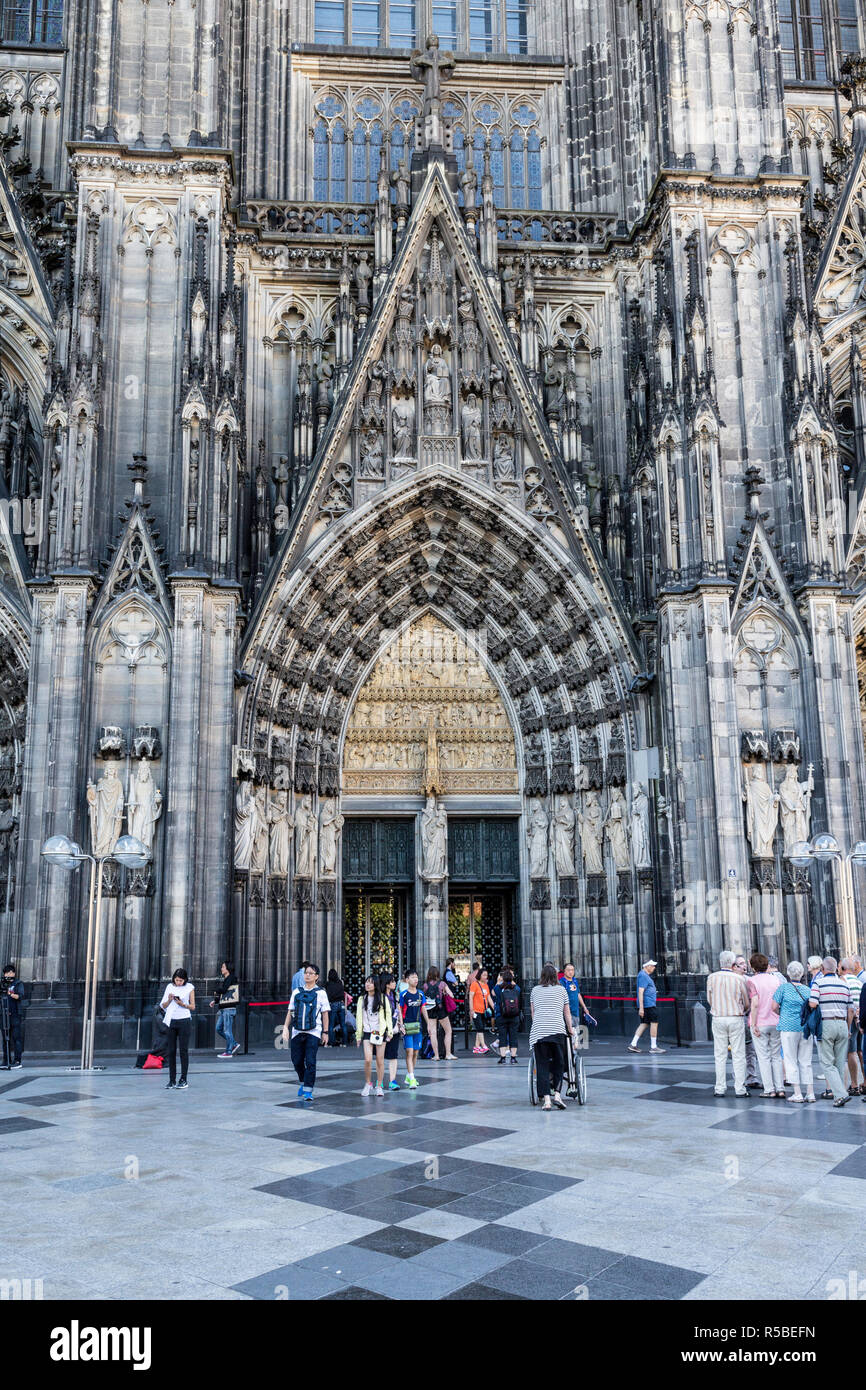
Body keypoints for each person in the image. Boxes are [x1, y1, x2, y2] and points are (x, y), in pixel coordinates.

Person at [808, 957, 854, 1106]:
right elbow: (851, 1010)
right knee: (839, 1062)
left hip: (826, 1024)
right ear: (836, 969)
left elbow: (813, 1004)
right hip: (842, 1024)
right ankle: (838, 1096)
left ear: (822, 968)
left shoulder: (818, 983)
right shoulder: (844, 985)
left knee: (827, 1063)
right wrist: (847, 1027)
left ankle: (840, 1094)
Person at [282, 962, 329, 1103]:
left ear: (317, 977)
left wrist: (325, 1032)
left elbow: (325, 1013)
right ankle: (303, 1081)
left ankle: (308, 1090)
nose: (307, 975)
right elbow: (290, 1011)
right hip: (297, 1030)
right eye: (306, 973)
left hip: (314, 1031)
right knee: (296, 1060)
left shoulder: (321, 993)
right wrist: (285, 1027)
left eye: (310, 973)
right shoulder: (296, 992)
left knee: (310, 1061)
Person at [706, 950, 751, 1097]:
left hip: (718, 1017)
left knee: (719, 1055)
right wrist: (741, 1010)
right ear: (733, 964)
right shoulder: (739, 979)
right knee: (738, 1054)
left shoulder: (711, 977)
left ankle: (719, 1088)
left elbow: (709, 999)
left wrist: (718, 1008)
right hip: (735, 1017)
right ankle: (740, 1089)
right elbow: (746, 1001)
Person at [529, 962, 574, 1111]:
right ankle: (557, 1096)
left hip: (539, 1032)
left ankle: (547, 1101)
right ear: (556, 976)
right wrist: (570, 1029)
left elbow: (533, 1014)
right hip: (557, 1030)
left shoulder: (535, 990)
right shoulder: (562, 990)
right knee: (559, 1063)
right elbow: (567, 1013)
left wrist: (539, 1026)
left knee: (542, 1065)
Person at [771, 960, 815, 1103]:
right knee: (806, 1061)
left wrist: (783, 1014)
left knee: (790, 1059)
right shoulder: (808, 990)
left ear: (788, 974)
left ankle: (797, 1093)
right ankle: (810, 1092)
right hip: (805, 1028)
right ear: (802, 974)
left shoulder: (783, 988)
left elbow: (773, 1007)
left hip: (788, 1027)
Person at [747, 952, 786, 1098]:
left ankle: (769, 1089)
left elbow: (755, 1004)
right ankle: (780, 1088)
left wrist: (754, 1023)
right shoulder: (775, 980)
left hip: (761, 1022)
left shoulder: (752, 981)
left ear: (752, 966)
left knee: (763, 1057)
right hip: (775, 1021)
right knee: (776, 1056)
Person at [356, 974, 391, 1097]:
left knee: (380, 1061)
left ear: (375, 985)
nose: (367, 984)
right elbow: (358, 1018)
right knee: (368, 1059)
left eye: (370, 982)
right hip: (366, 1032)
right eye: (366, 982)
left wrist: (389, 1032)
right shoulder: (362, 999)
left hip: (380, 1032)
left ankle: (379, 1085)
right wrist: (358, 1036)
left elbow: (388, 1016)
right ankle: (368, 1083)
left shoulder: (383, 998)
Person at [161, 968, 195, 1091]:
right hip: (172, 1020)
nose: (178, 982)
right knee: (171, 1051)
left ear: (185, 980)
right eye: (176, 980)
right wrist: (170, 1000)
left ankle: (183, 1079)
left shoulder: (190, 987)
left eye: (180, 980)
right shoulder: (169, 987)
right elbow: (162, 1006)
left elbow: (193, 1006)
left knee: (183, 1051)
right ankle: (171, 1080)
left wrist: (182, 1004)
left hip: (184, 1020)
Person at [733, 954, 761, 1088]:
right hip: (736, 1017)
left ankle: (752, 1077)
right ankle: (739, 1079)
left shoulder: (749, 980)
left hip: (748, 1017)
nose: (745, 966)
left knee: (751, 1050)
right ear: (734, 967)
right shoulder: (731, 980)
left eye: (745, 963)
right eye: (741, 963)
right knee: (737, 1051)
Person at [627, 959, 666, 1054]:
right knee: (654, 1022)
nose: (654, 967)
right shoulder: (643, 975)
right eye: (652, 965)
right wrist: (641, 1007)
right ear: (646, 966)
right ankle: (653, 1047)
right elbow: (640, 991)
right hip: (648, 1005)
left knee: (644, 1023)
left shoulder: (644, 975)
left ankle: (633, 1044)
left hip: (647, 1004)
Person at [400, 969, 428, 1088]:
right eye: (412, 977)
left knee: (416, 1052)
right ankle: (412, 1078)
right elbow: (400, 1010)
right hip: (407, 1027)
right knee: (409, 1052)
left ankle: (409, 1075)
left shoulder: (421, 994)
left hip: (417, 1027)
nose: (415, 979)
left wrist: (429, 1023)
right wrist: (401, 1025)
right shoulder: (403, 994)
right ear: (407, 980)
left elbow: (423, 1008)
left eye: (416, 977)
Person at [840, 958, 864, 1094]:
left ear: (843, 968)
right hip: (859, 1019)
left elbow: (847, 1004)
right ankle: (864, 1082)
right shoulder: (858, 981)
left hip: (850, 1019)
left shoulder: (844, 981)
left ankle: (854, 1084)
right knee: (860, 1053)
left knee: (851, 1052)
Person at [423, 967, 457, 1060]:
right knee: (448, 1031)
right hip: (441, 1009)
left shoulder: (425, 985)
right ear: (438, 974)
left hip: (430, 1009)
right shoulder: (442, 984)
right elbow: (451, 995)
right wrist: (445, 992)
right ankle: (448, 1054)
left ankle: (436, 1055)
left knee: (433, 1033)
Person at [210, 959, 240, 1058]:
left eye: (223, 967)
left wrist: (215, 990)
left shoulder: (231, 978)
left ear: (228, 968)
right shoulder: (227, 978)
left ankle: (229, 1051)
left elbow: (224, 990)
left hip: (229, 1008)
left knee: (227, 1030)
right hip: (224, 1008)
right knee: (219, 1028)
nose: (221, 968)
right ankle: (234, 1044)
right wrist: (215, 1001)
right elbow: (225, 994)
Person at [380, 972, 404, 1090]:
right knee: (381, 1056)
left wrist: (401, 1025)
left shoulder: (395, 996)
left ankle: (392, 1081)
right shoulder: (379, 997)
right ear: (386, 984)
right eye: (393, 981)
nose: (395, 983)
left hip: (394, 1030)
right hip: (383, 1030)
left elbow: (398, 1011)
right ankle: (380, 1081)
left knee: (393, 1055)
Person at [494, 968, 521, 1064]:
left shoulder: (498, 988)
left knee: (502, 1036)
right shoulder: (517, 988)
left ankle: (503, 1057)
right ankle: (513, 1057)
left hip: (501, 1015)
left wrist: (498, 980)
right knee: (513, 1036)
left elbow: (494, 993)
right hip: (514, 1015)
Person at [1, 963, 24, 1069]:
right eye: (5, 973)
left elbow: (20, 996)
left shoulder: (18, 983)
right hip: (3, 1014)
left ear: (13, 973)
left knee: (16, 1038)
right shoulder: (2, 984)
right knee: (5, 1038)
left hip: (15, 1014)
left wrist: (10, 993)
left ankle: (17, 1060)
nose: (7, 975)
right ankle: (6, 1060)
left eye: (9, 973)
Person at [469, 967, 495, 1055]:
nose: (485, 977)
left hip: (483, 1010)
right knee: (480, 1028)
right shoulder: (474, 984)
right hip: (476, 1010)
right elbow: (471, 997)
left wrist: (494, 1007)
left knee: (480, 1028)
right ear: (479, 975)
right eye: (484, 975)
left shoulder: (486, 985)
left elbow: (489, 998)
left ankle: (476, 1047)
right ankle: (483, 1046)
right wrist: (471, 1009)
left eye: (486, 975)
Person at [325, 968, 347, 1046]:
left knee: (331, 1024)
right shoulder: (340, 982)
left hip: (333, 1004)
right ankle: (344, 1043)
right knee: (343, 1024)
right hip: (341, 1004)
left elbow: (328, 995)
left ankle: (331, 1043)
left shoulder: (328, 984)